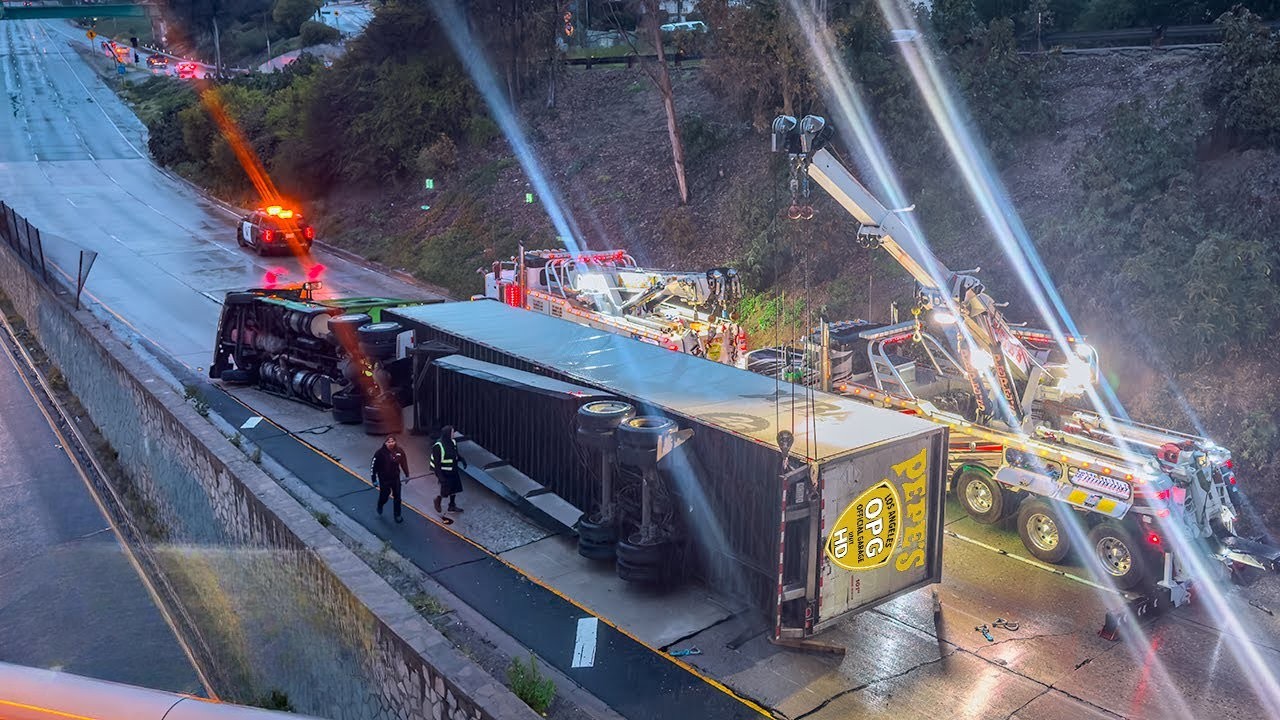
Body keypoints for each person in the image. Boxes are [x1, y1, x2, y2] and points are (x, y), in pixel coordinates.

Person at [430, 425, 467, 518]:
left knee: (454, 488)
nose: (453, 434)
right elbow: (437, 464)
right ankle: (438, 499)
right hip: (444, 471)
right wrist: (441, 477)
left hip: (453, 469)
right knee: (446, 490)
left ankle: (452, 506)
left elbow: (455, 453)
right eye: (452, 432)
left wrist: (461, 459)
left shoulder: (453, 442)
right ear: (447, 434)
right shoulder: (438, 446)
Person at [371, 435, 410, 523]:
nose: (391, 444)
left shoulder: (399, 451)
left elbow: (404, 463)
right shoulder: (379, 453)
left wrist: (407, 474)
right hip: (384, 479)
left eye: (392, 442)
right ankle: (380, 504)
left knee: (397, 497)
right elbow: (373, 467)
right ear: (385, 443)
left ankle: (397, 515)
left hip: (395, 478)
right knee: (385, 495)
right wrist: (374, 479)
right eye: (389, 442)